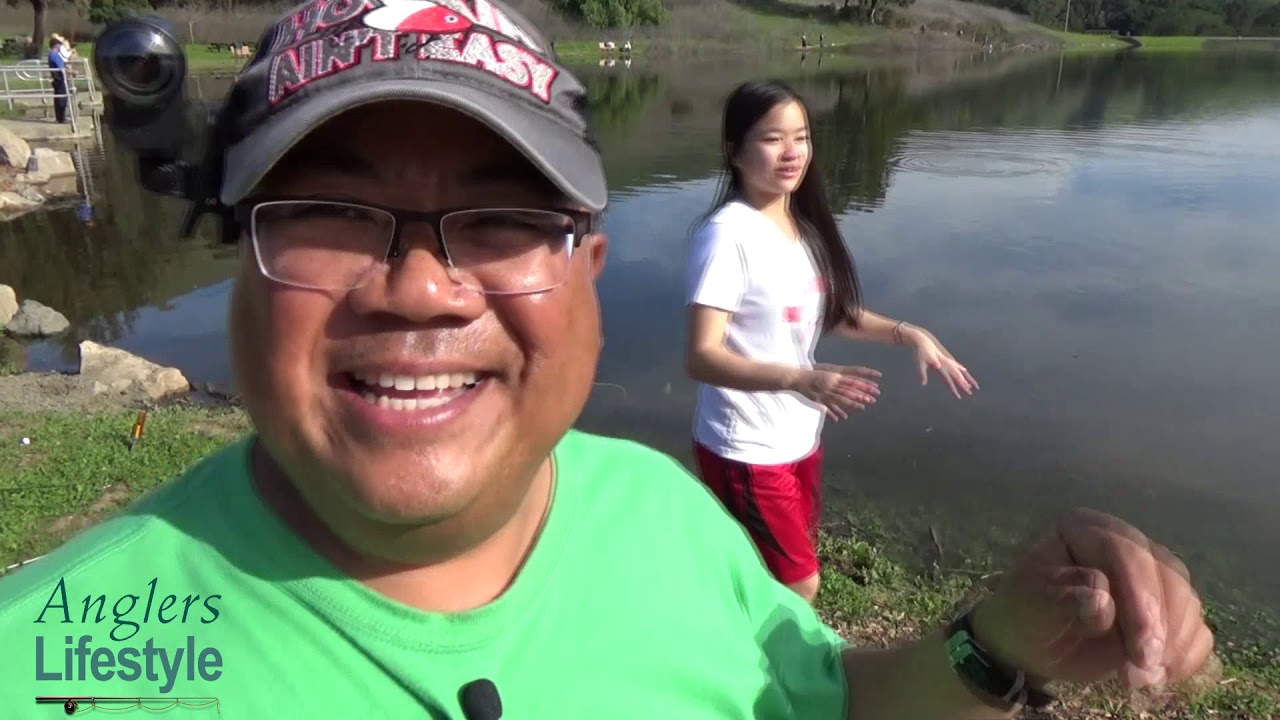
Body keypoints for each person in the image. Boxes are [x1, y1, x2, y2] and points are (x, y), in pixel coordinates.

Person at [0, 1, 1212, 717]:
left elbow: (821, 701)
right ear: (237, 262)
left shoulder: (659, 514)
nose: (421, 287)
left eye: (502, 218)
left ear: (586, 264)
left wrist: (994, 644)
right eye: (324, 213)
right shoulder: (58, 659)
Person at [685, 80, 980, 604]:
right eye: (772, 139)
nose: (792, 152)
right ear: (734, 152)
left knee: (775, 567)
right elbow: (702, 356)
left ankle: (740, 648)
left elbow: (833, 314)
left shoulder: (802, 227)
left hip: (799, 434)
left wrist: (907, 333)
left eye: (801, 136)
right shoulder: (727, 235)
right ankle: (778, 676)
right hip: (746, 446)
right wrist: (801, 378)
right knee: (801, 582)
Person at [46, 35, 69, 124]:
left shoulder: (52, 54)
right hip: (59, 79)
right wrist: (71, 71)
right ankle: (61, 118)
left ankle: (60, 118)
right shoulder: (54, 55)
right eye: (59, 45)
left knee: (59, 98)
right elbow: (61, 67)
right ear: (56, 45)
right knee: (61, 99)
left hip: (57, 79)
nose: (60, 47)